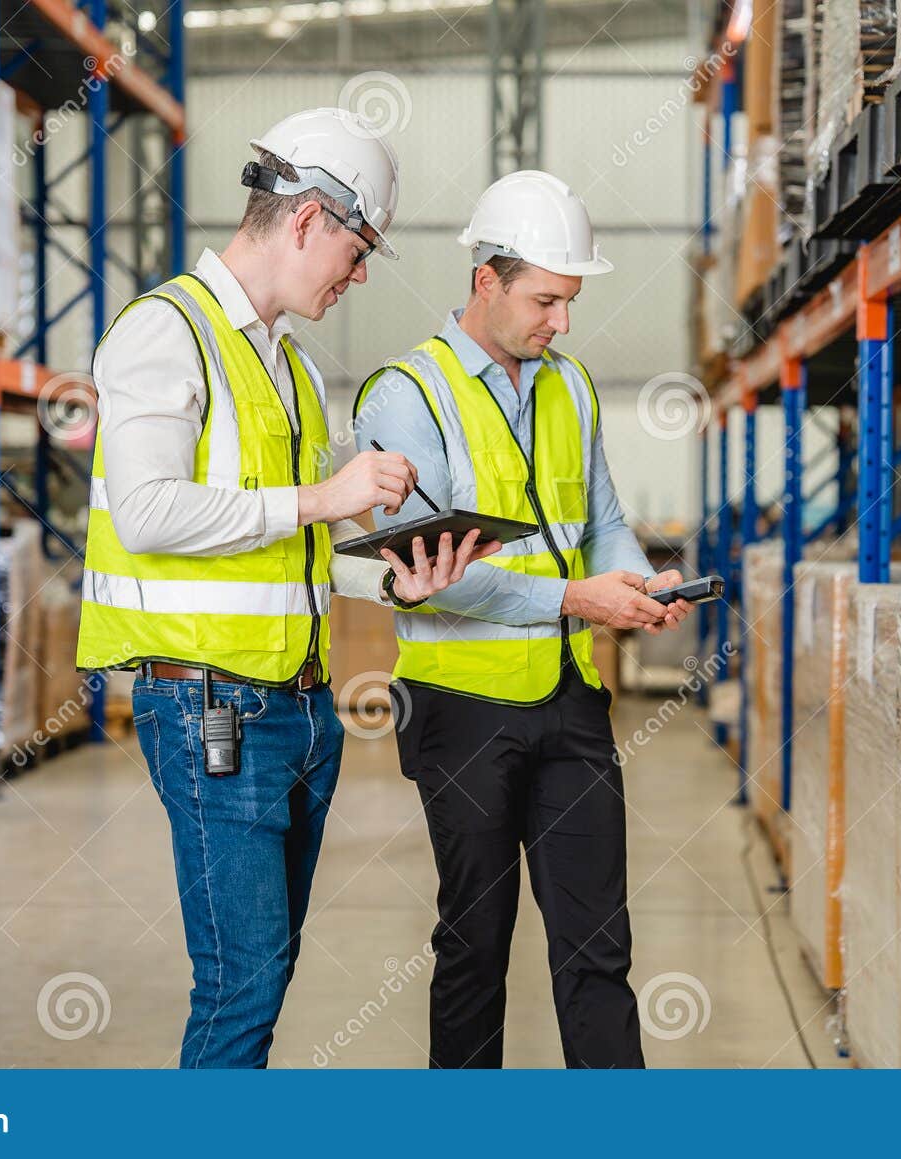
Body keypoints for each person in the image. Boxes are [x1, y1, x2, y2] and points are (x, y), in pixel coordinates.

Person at [75, 107, 497, 1069]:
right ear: (306, 219)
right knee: (241, 985)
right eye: (356, 253)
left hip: (300, 715)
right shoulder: (163, 332)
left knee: (265, 973)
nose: (355, 279)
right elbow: (149, 512)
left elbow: (295, 550)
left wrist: (402, 579)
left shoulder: (294, 370)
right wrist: (327, 494)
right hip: (209, 708)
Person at [352, 170, 696, 1069]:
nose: (562, 322)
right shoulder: (404, 395)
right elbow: (432, 576)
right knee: (475, 944)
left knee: (599, 948)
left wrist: (638, 582)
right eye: (547, 299)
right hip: (460, 708)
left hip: (570, 699)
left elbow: (604, 521)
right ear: (486, 281)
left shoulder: (570, 387)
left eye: (571, 300)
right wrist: (581, 599)